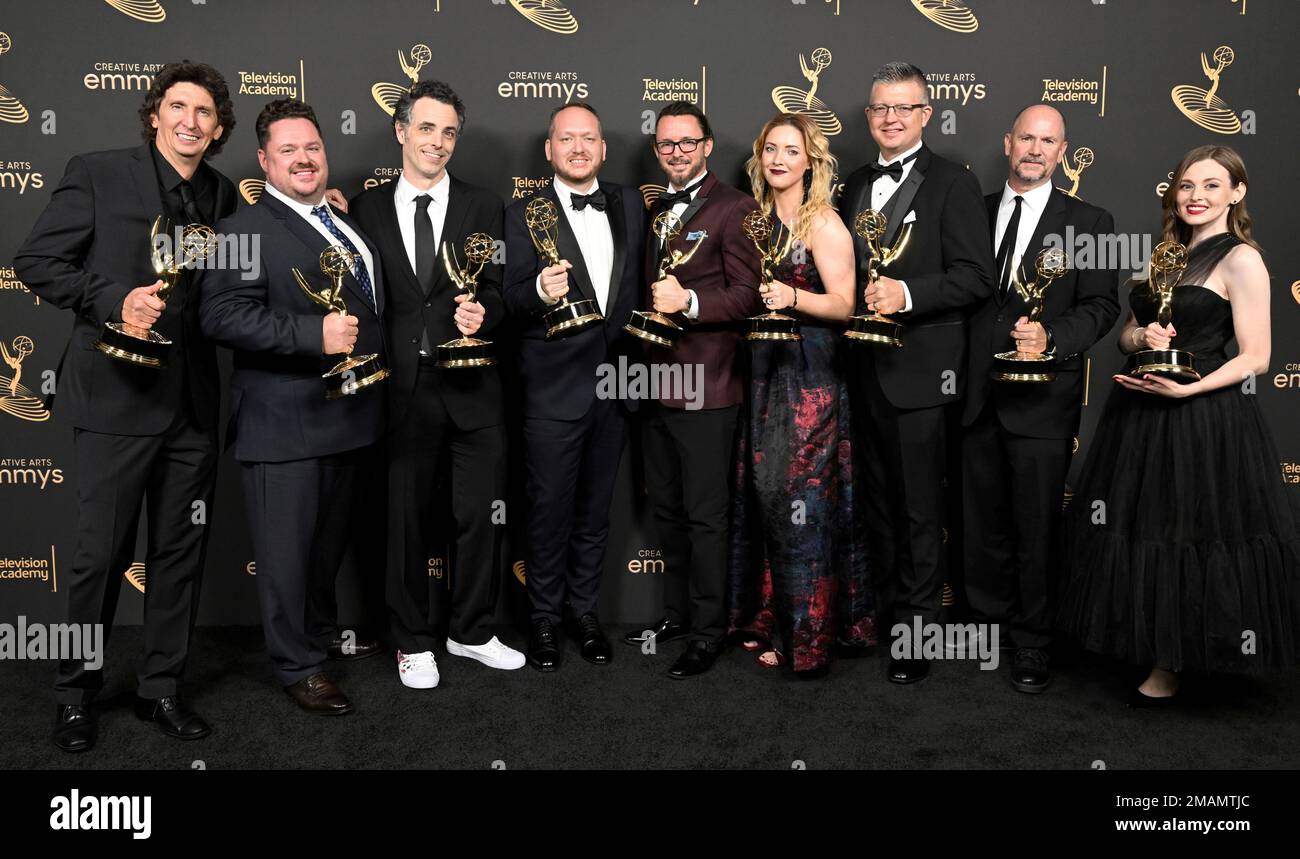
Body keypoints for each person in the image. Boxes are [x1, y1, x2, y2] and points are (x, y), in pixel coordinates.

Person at [16, 61, 238, 752]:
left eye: (204, 112)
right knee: (97, 558)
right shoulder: (98, 171)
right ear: (153, 114)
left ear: (219, 128)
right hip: (114, 399)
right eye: (178, 107)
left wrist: (328, 214)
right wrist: (114, 301)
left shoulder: (225, 197)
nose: (190, 121)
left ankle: (160, 689)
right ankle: (76, 694)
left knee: (178, 555)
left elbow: (241, 282)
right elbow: (37, 261)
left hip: (191, 408)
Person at [1057, 145, 1300, 705]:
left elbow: (1257, 356)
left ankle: (1172, 662)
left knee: (1185, 531)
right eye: (1188, 185)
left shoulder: (1241, 259)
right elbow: (1125, 335)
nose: (1196, 196)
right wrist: (1141, 340)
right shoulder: (1162, 255)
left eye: (1213, 186)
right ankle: (1145, 644)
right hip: (1141, 411)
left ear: (1237, 193)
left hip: (1203, 415)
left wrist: (1191, 387)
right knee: (1143, 528)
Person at [198, 99, 387, 714]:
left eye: (312, 148)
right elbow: (221, 315)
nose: (304, 159)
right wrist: (314, 337)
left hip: (349, 416)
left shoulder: (342, 220)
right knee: (283, 555)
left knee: (324, 549)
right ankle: (296, 665)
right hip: (283, 423)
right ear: (264, 160)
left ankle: (320, 637)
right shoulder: (240, 229)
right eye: (289, 150)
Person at [350, 81, 524, 689]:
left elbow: (501, 290)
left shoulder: (486, 204)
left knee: (481, 516)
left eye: (449, 132)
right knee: (405, 520)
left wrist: (488, 315)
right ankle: (412, 639)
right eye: (426, 129)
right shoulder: (364, 209)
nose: (438, 142)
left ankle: (473, 630)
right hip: (400, 387)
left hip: (474, 386)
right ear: (401, 132)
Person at [837, 62, 995, 684]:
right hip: (860, 370)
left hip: (923, 376)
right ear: (869, 115)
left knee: (920, 511)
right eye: (880, 108)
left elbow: (976, 276)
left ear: (926, 115)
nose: (891, 118)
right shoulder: (852, 183)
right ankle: (878, 616)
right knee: (876, 506)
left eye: (904, 108)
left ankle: (917, 632)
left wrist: (904, 294)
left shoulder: (954, 182)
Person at [961, 104, 1120, 693]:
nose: (1034, 148)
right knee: (979, 522)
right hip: (972, 394)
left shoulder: (1091, 222)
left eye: (1046, 141)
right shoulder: (970, 214)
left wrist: (1052, 338)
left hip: (1042, 399)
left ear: (1062, 151)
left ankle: (1032, 642)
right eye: (1025, 136)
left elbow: (1103, 306)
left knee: (1035, 526)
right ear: (1007, 143)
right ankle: (983, 629)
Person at [726, 113, 874, 675]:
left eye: (791, 150)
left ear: (810, 160)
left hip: (810, 377)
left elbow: (843, 304)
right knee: (765, 494)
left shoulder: (825, 223)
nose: (778, 159)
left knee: (804, 505)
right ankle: (770, 616)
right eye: (770, 149)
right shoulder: (754, 217)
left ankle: (807, 640)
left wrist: (792, 296)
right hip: (762, 371)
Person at [502, 102, 646, 672]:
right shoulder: (519, 214)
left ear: (604, 148)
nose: (579, 148)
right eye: (568, 139)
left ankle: (583, 612)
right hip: (552, 388)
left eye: (589, 138)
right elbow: (506, 298)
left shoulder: (631, 203)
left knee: (594, 512)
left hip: (618, 384)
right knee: (548, 510)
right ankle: (541, 619)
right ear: (549, 150)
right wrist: (538, 288)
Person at [622, 100, 763, 678]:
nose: (676, 152)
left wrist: (693, 303)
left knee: (707, 518)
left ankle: (710, 631)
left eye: (687, 142)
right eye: (665, 144)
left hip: (707, 388)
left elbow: (751, 294)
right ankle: (677, 613)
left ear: (708, 145)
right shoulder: (654, 209)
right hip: (655, 384)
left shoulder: (737, 208)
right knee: (670, 511)